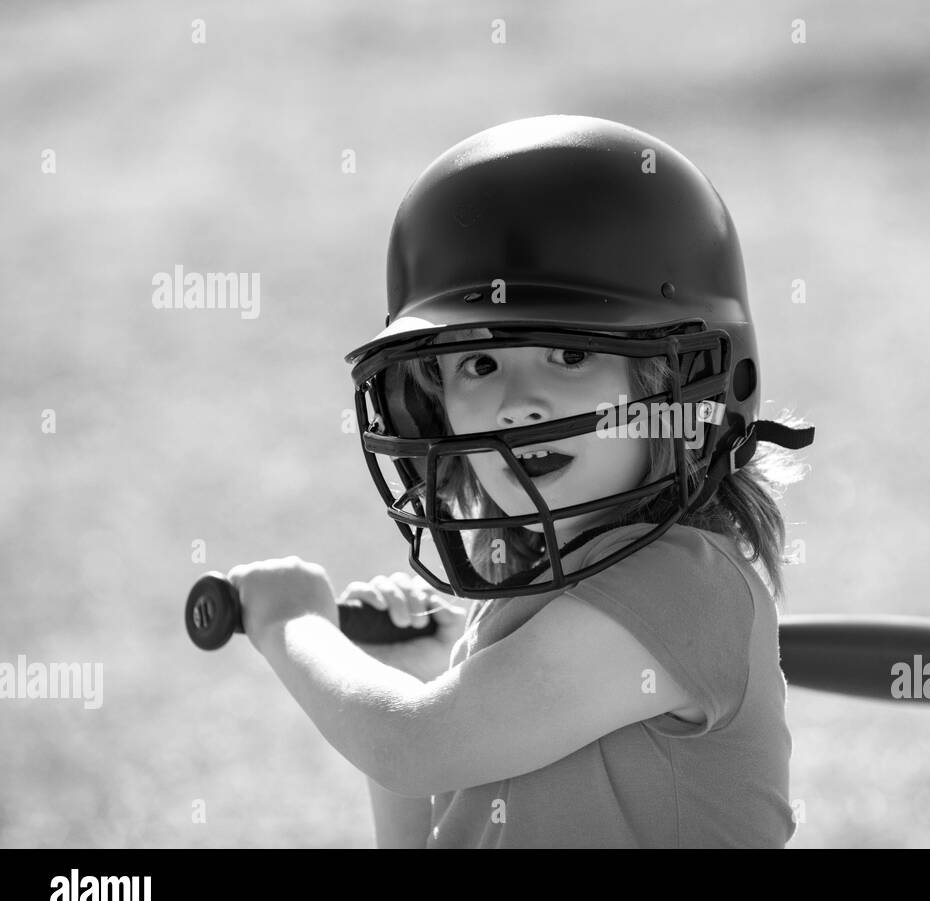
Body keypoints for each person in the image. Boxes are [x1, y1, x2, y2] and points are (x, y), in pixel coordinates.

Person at [229, 115, 815, 848]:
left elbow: (413, 746)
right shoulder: (521, 603)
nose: (518, 401)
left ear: (679, 385)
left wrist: (291, 623)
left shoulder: (685, 588)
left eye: (569, 357)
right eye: (479, 364)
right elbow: (415, 781)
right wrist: (417, 678)